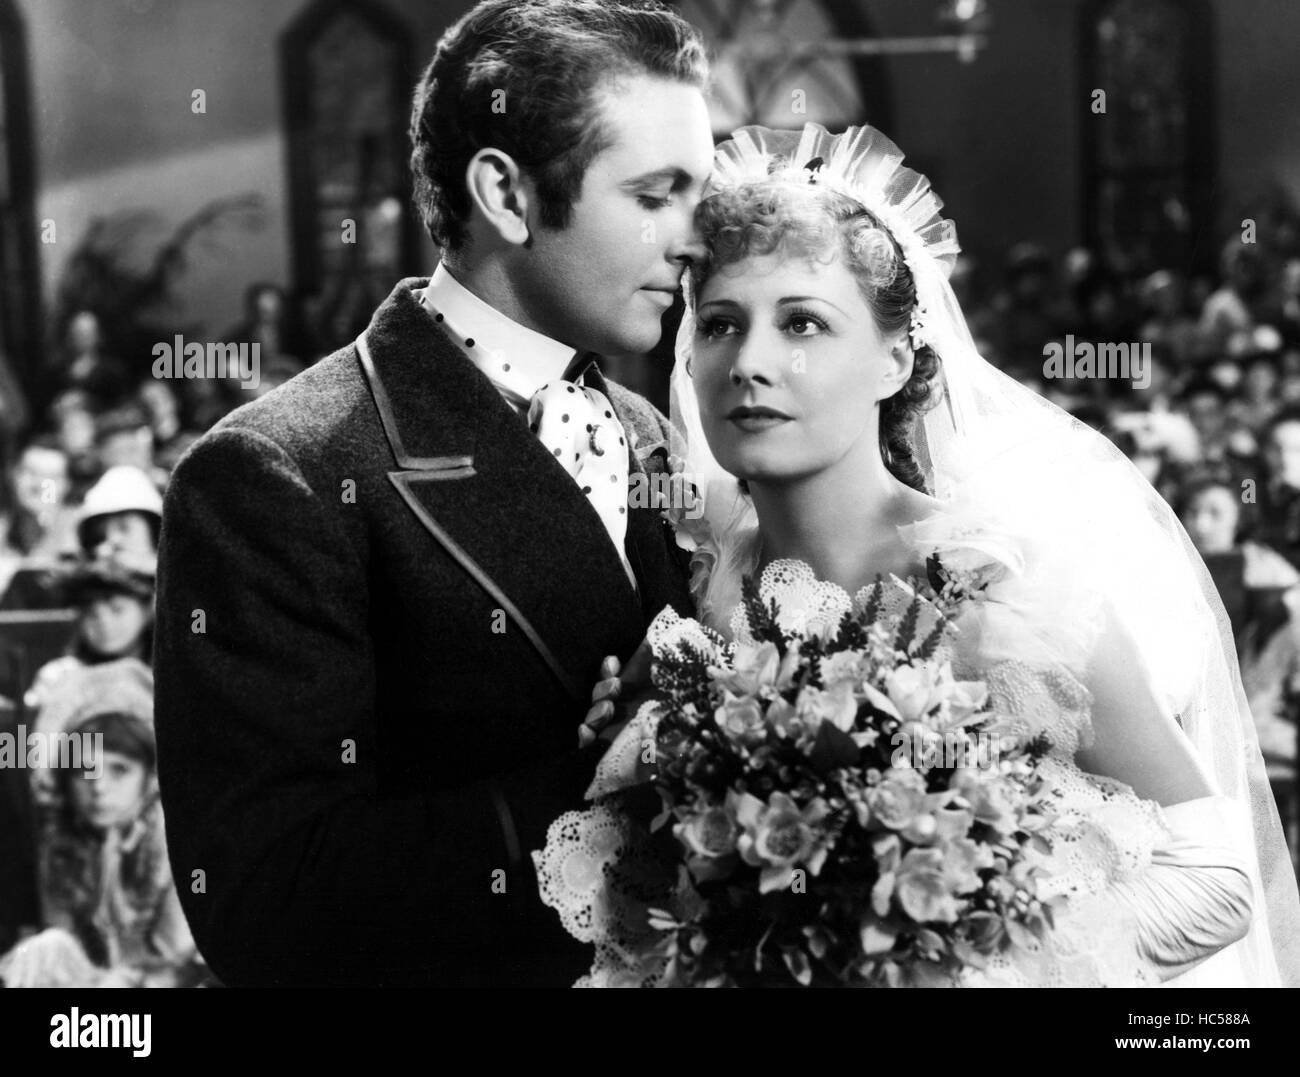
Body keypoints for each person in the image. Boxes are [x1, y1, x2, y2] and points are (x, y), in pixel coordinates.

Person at [577, 123, 1300, 986]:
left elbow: (1219, 876)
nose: (750, 362)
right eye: (723, 326)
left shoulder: (1003, 590)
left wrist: (963, 953)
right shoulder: (691, 585)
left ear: (894, 360)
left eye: (803, 322)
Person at [152, 0, 713, 987]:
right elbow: (265, 899)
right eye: (656, 195)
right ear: (505, 192)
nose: (692, 241)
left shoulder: (651, 433)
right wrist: (644, 790)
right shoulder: (282, 471)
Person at [0, 704, 204, 987]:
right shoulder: (61, 843)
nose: (99, 788)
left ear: (150, 778)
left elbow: (179, 950)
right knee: (44, 948)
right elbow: (63, 933)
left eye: (119, 770)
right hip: (98, 979)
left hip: (170, 978)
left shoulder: (176, 840)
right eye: (84, 771)